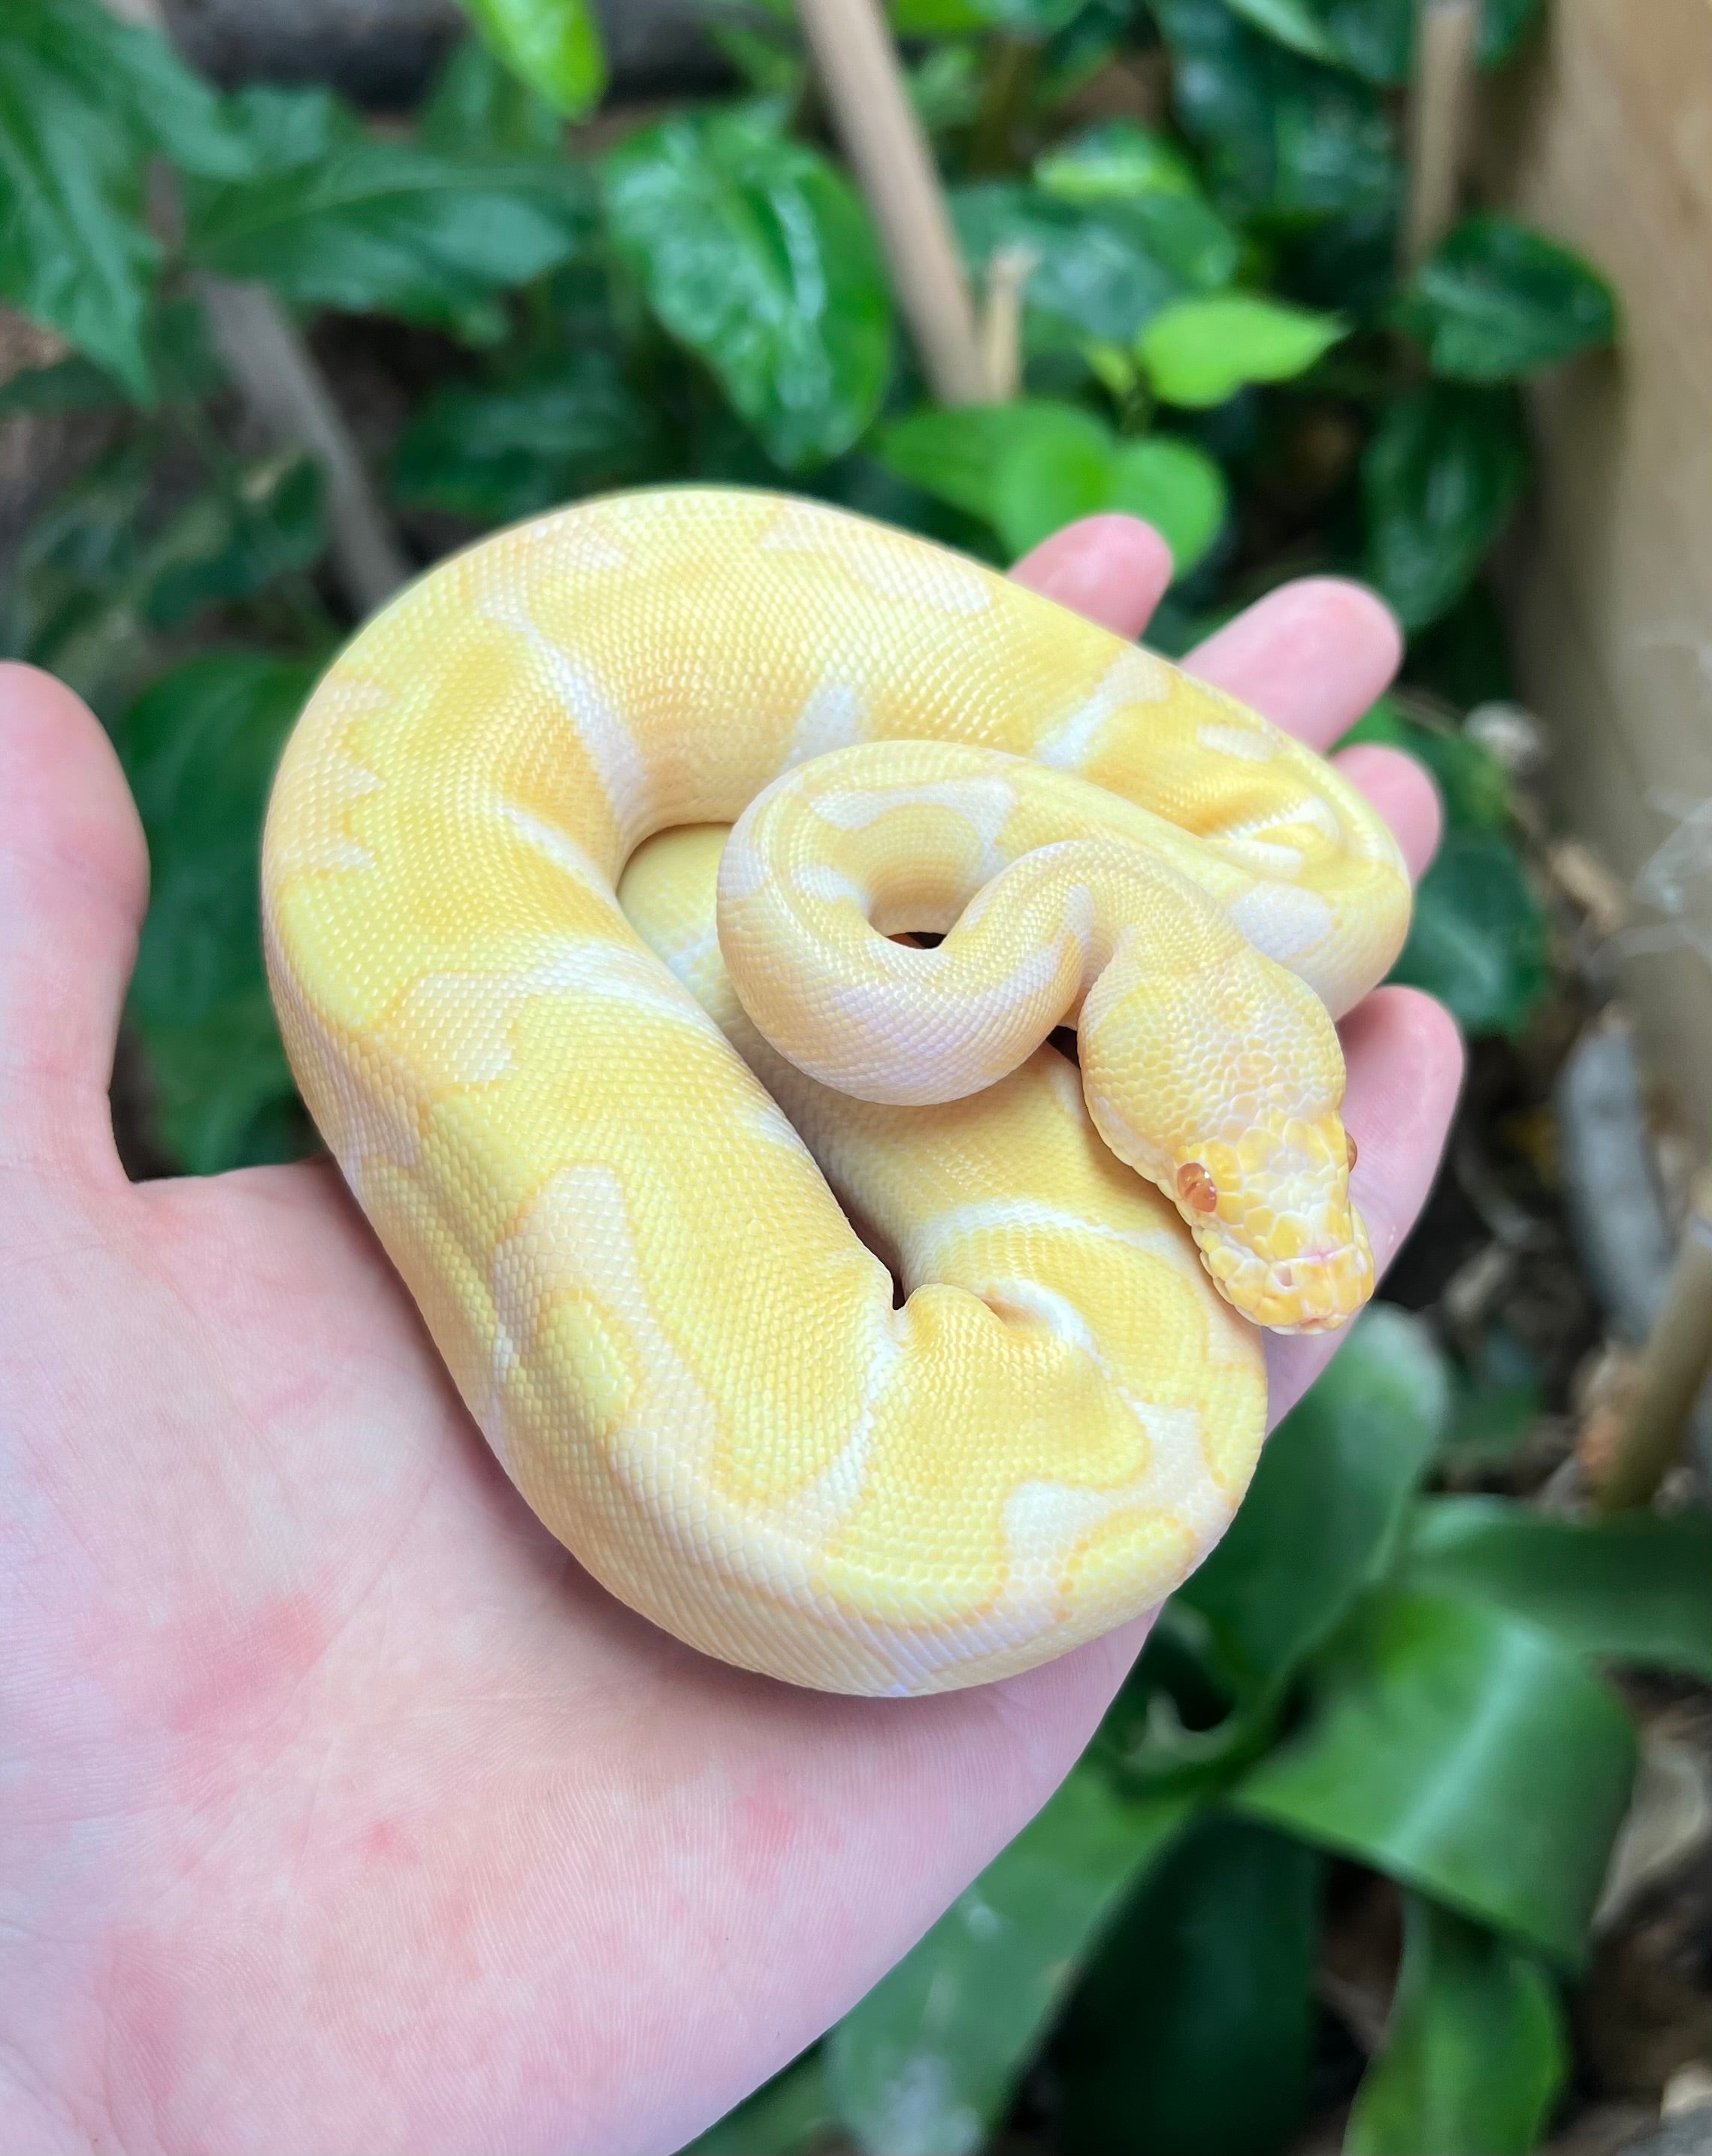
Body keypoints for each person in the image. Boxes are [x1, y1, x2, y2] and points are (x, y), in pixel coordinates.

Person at [0, 514, 1458, 2156]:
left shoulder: (1046, 962)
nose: (1297, 1267)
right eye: (1204, 1183)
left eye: (1303, 1158)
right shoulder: (1112, 965)